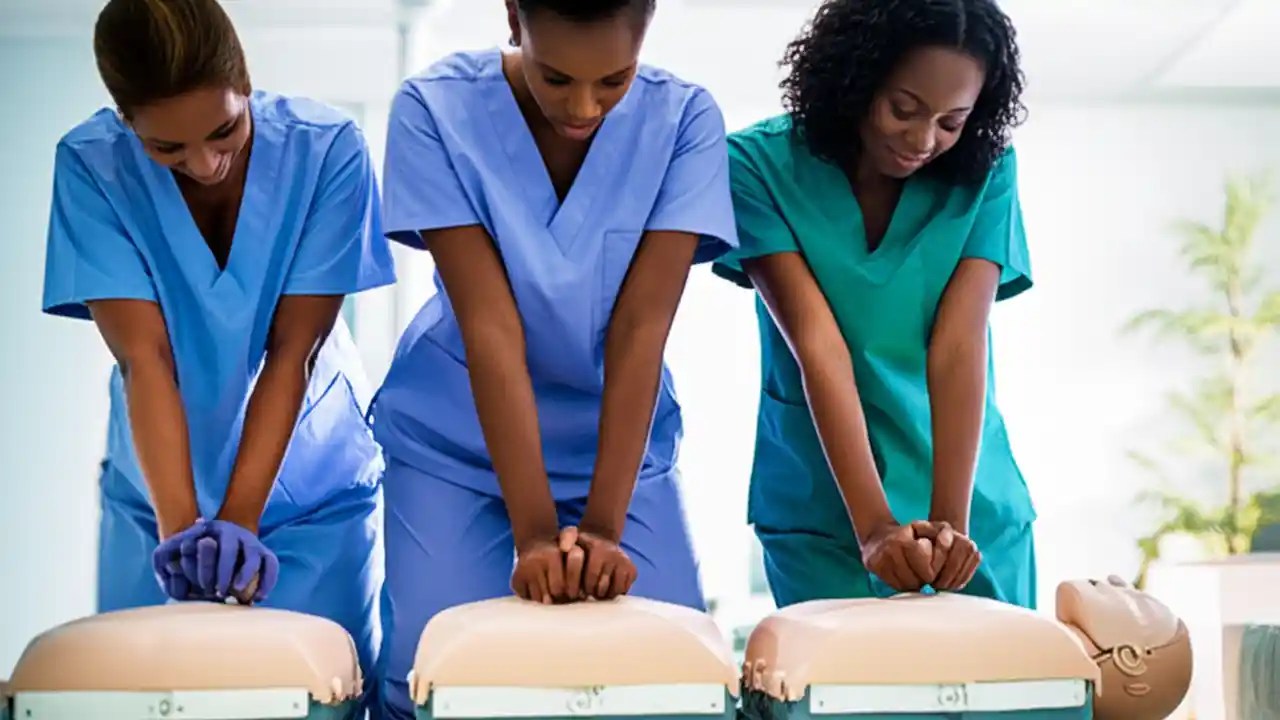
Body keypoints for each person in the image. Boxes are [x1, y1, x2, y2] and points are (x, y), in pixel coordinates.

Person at [369, 0, 736, 715]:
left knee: (678, 669)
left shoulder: (686, 121)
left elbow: (641, 329)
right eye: (557, 76)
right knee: (430, 668)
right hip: (457, 438)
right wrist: (535, 535)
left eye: (614, 79)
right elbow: (490, 325)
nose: (584, 105)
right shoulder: (433, 108)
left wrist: (603, 526)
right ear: (513, 17)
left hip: (616, 443)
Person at [41, 0, 395, 711]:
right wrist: (182, 535)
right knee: (144, 700)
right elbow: (146, 360)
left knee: (315, 697)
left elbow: (295, 351)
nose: (204, 165)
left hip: (309, 495)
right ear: (124, 121)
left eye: (224, 130)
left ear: (246, 80)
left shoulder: (327, 152)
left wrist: (237, 520)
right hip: (156, 501)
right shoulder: (91, 167)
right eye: (166, 150)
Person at [712, 0, 1037, 609]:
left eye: (951, 121)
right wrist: (874, 527)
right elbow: (818, 344)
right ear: (856, 78)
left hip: (971, 504)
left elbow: (960, 343)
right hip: (826, 514)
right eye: (903, 109)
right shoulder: (754, 167)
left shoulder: (987, 171)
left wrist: (952, 527)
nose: (923, 140)